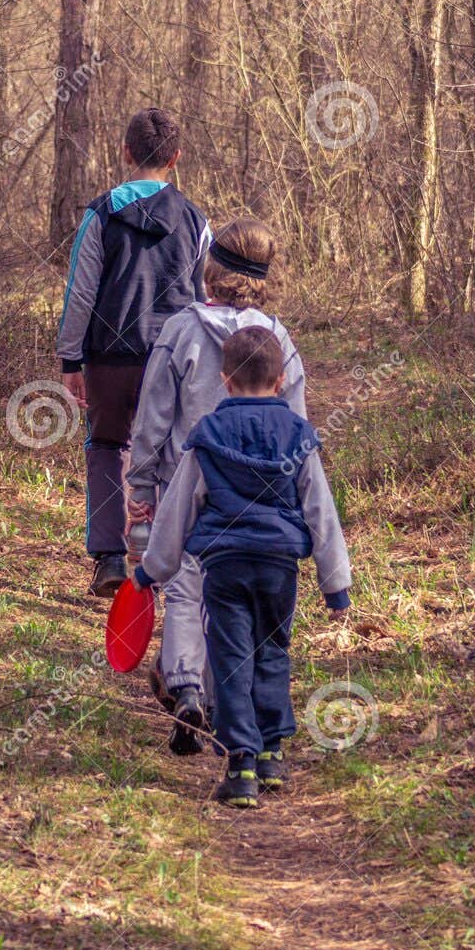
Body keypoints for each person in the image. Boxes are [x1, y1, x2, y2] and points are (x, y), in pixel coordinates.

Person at [134, 327, 351, 808]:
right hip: (278, 567)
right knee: (272, 651)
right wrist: (335, 583)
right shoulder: (298, 436)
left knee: (231, 660)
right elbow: (320, 510)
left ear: (225, 380)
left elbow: (179, 508)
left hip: (225, 568)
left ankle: (241, 766)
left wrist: (153, 568)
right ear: (281, 382)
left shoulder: (207, 436)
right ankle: (271, 752)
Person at [126, 219, 305, 755]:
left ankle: (185, 686)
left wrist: (140, 482)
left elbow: (153, 416)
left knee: (186, 586)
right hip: (254, 495)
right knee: (228, 597)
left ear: (211, 270)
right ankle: (222, 699)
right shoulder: (277, 340)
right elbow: (295, 425)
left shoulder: (180, 331)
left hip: (185, 482)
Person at [56, 109, 210, 597]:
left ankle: (109, 559)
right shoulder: (195, 221)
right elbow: (203, 299)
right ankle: (160, 560)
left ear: (125, 152)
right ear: (176, 158)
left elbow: (81, 293)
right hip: (172, 357)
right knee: (168, 453)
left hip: (108, 357)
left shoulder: (101, 214)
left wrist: (70, 359)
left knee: (107, 448)